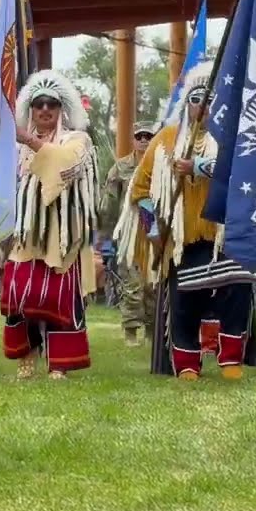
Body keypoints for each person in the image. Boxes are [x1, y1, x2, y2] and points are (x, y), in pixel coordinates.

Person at [128, 57, 256, 380]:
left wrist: (198, 167)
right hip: (182, 238)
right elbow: (139, 189)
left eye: (210, 100)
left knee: (236, 289)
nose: (203, 106)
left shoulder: (230, 138)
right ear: (186, 103)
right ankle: (187, 362)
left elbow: (242, 174)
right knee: (184, 298)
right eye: (196, 99)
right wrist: (154, 227)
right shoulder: (165, 140)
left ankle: (231, 359)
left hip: (224, 236)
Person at [0, 70, 99, 380]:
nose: (44, 109)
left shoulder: (77, 140)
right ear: (30, 109)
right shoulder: (14, 148)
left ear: (62, 108)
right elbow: (1, 187)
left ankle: (61, 363)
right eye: (38, 103)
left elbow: (67, 165)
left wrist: (29, 140)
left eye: (51, 104)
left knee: (59, 297)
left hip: (62, 235)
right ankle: (27, 355)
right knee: (21, 295)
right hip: (25, 236)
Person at [101, 120, 155, 346]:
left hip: (155, 233)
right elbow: (109, 203)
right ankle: (131, 331)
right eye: (139, 136)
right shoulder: (121, 168)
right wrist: (106, 235)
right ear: (133, 140)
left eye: (148, 136)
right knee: (132, 285)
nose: (143, 140)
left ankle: (152, 331)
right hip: (129, 234)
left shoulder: (162, 165)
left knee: (153, 284)